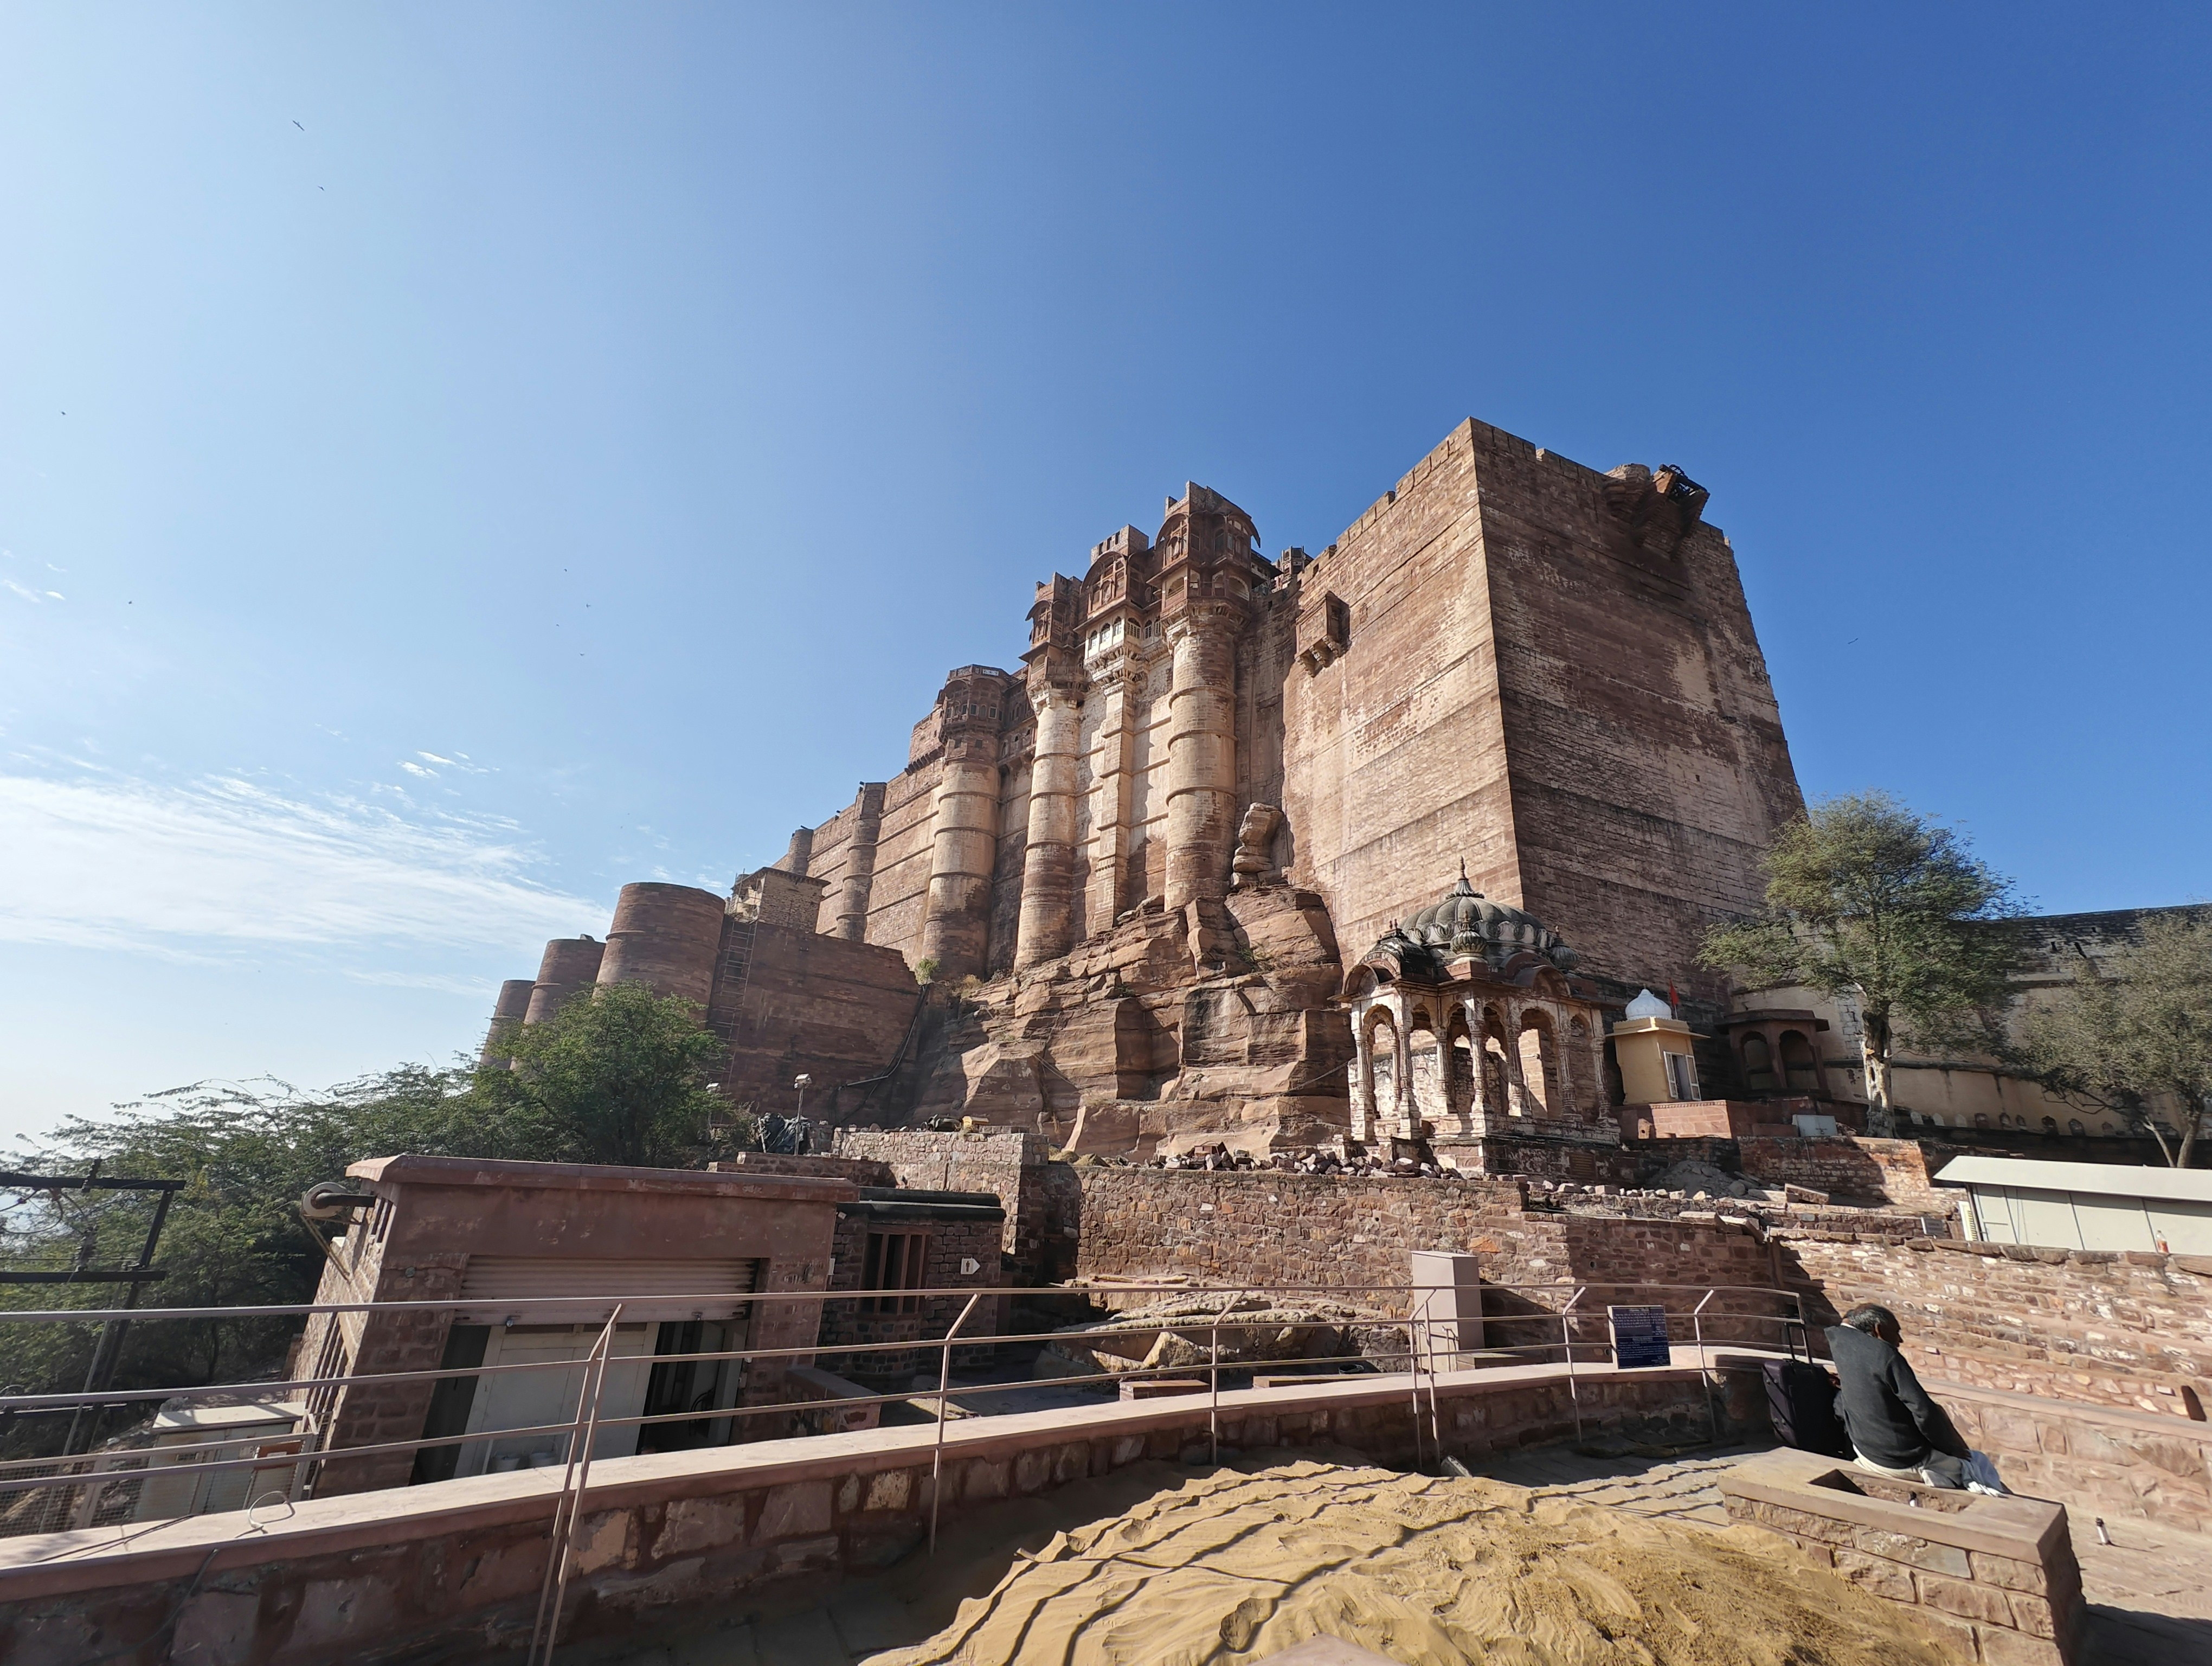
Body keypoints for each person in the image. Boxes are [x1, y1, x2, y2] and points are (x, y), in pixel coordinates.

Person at [1824, 1303, 2008, 1493]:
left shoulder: (1839, 1341)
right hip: (1900, 1459)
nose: (1900, 1340)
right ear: (1877, 1330)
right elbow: (1923, 1411)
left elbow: (1846, 1323)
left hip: (1867, 1451)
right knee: (1978, 1463)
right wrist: (1949, 1449)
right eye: (1896, 1333)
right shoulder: (1885, 1355)